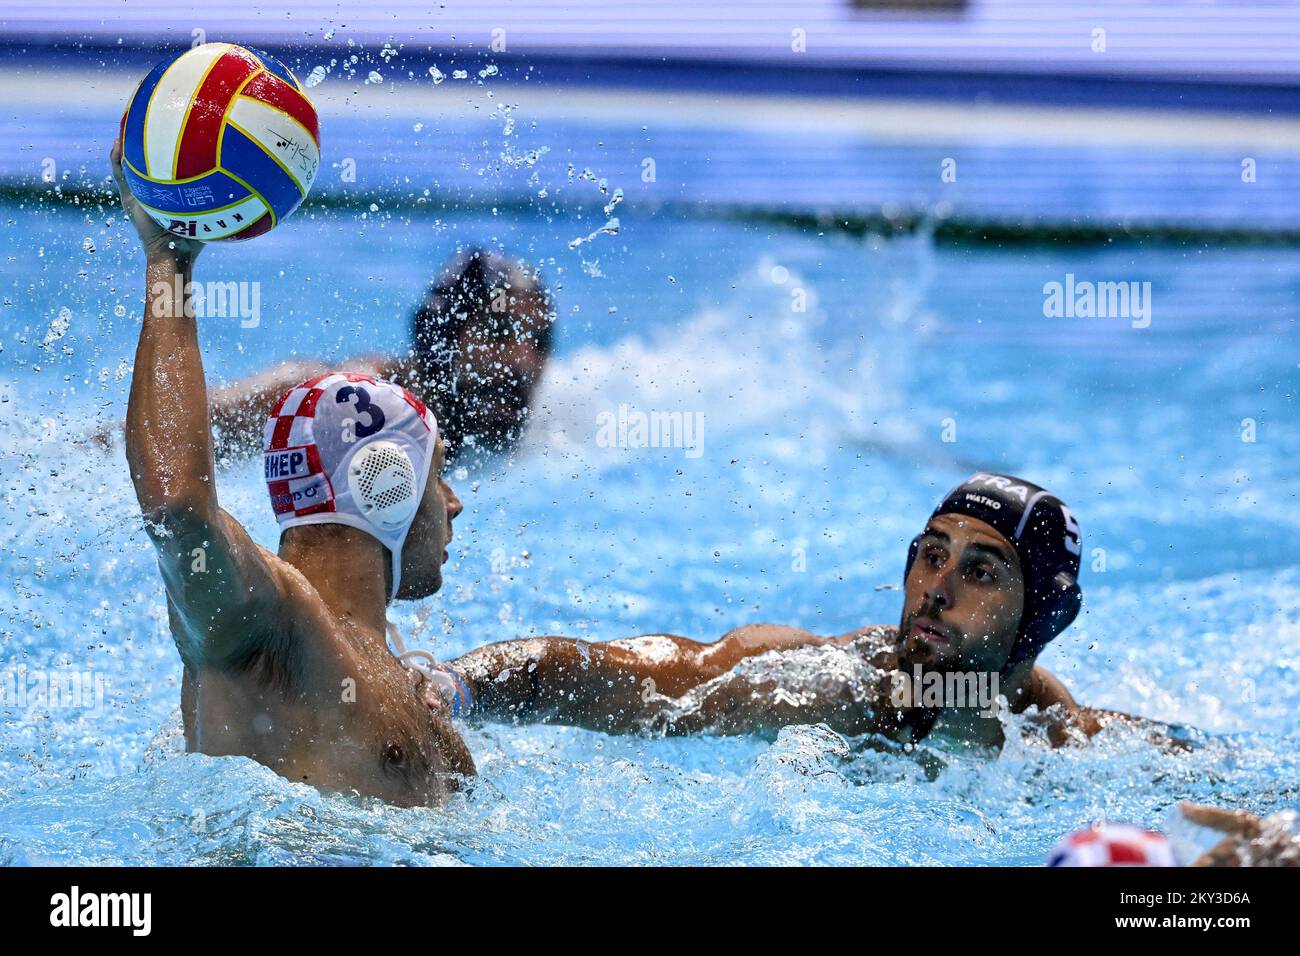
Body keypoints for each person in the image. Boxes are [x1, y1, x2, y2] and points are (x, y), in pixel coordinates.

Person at [111, 137, 473, 807]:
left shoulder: (400, 676)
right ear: (383, 481)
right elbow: (178, 512)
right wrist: (169, 259)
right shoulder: (268, 625)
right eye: (436, 475)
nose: (453, 505)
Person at [441, 472, 1148, 750]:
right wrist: (449, 690)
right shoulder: (823, 685)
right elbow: (589, 676)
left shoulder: (1066, 744)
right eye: (931, 555)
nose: (936, 588)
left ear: (1042, 619)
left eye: (980, 572)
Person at [206, 247, 555, 464]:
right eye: (498, 333)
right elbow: (194, 421)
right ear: (442, 337)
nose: (523, 362)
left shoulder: (554, 430)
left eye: (539, 341)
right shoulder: (352, 395)